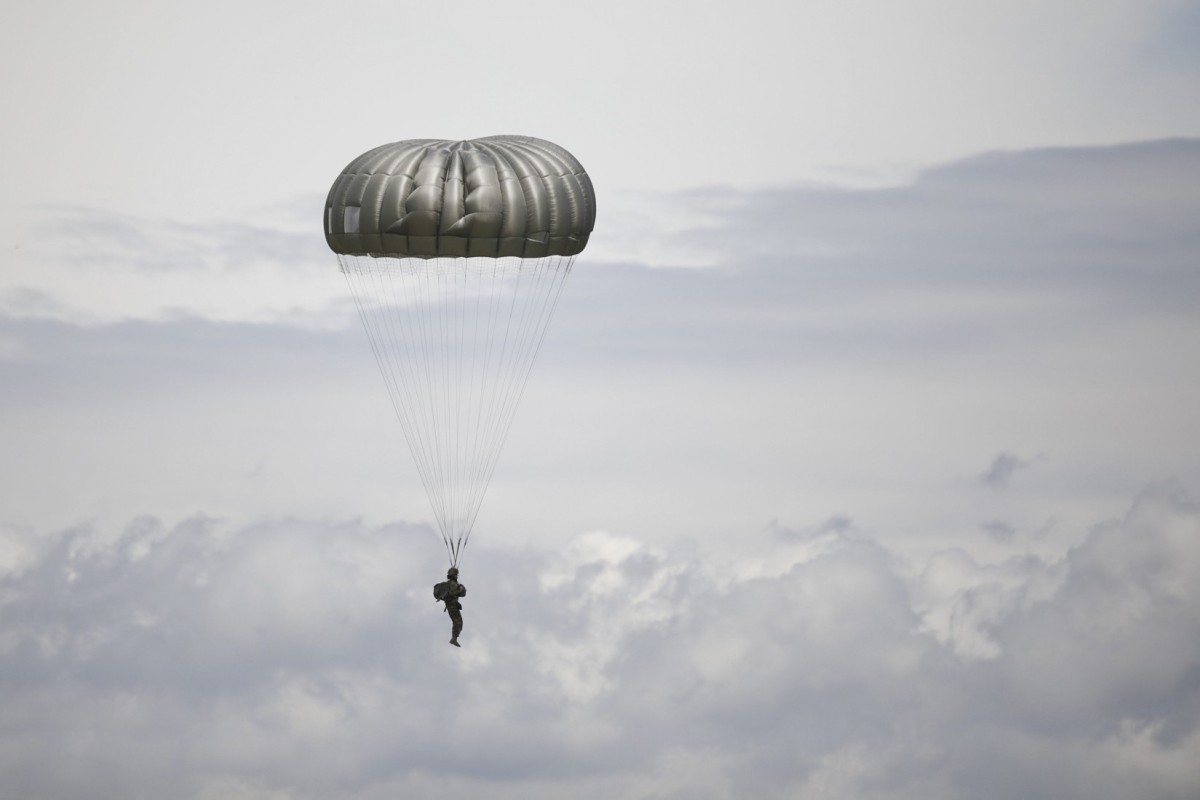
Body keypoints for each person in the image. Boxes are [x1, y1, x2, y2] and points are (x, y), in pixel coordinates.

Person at [433, 567, 467, 646]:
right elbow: (452, 593)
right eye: (456, 575)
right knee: (458, 622)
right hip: (452, 606)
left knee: (457, 622)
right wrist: (460, 589)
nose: (457, 576)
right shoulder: (453, 583)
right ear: (455, 575)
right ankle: (454, 638)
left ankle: (454, 638)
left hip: (451, 605)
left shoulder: (450, 583)